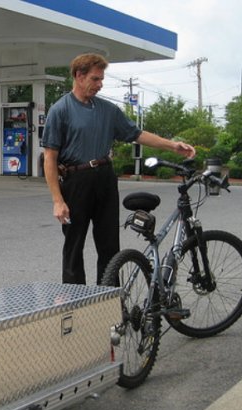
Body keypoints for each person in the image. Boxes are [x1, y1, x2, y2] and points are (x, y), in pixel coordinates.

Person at [41, 53, 196, 285]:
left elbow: (137, 134)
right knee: (74, 247)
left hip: (104, 178)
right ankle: (75, 307)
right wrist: (57, 200)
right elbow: (49, 158)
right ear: (78, 76)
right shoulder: (60, 110)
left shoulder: (108, 110)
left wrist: (172, 145)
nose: (100, 84)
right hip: (76, 181)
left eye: (101, 79)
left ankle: (110, 305)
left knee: (109, 247)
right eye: (95, 79)